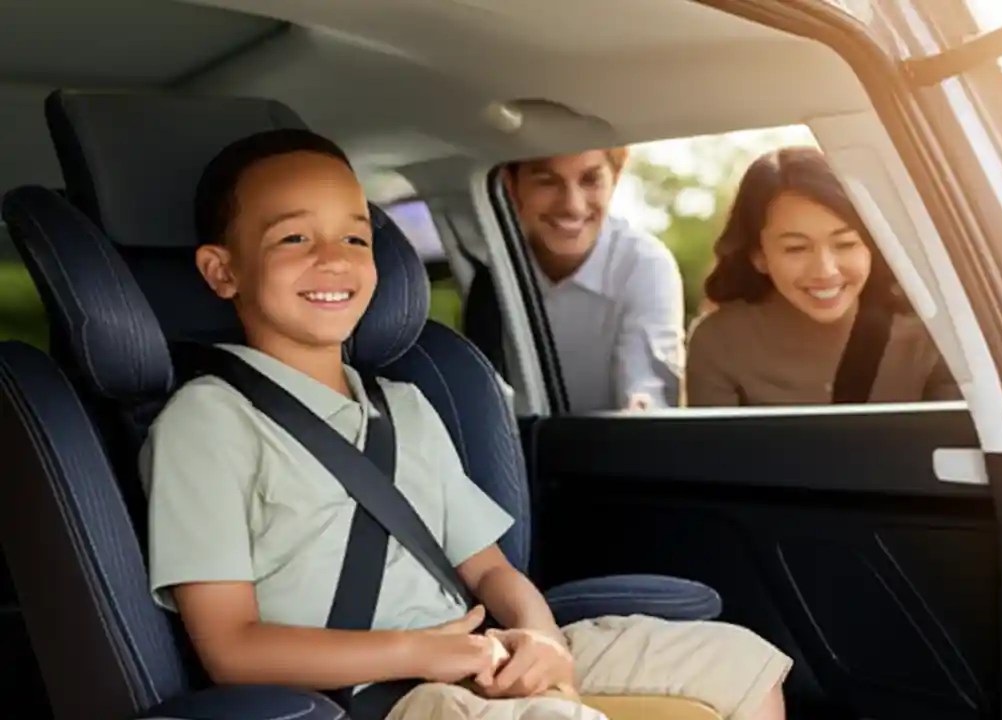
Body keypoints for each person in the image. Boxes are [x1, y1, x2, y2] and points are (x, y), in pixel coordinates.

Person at [140, 129, 791, 720]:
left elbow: (488, 569)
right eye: (294, 238)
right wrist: (420, 651)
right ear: (222, 271)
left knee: (738, 662)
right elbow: (232, 648)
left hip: (479, 656)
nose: (333, 259)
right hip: (374, 695)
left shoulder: (406, 406)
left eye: (355, 238)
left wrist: (540, 637)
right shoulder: (207, 421)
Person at [685, 146, 957, 407]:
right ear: (759, 256)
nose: (825, 271)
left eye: (845, 244)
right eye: (796, 248)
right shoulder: (718, 344)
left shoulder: (932, 334)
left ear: (873, 246)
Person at [505, 149, 684, 412]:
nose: (572, 206)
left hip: (611, 437)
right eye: (547, 181)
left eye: (591, 180)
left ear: (616, 179)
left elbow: (645, 387)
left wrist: (641, 404)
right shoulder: (490, 262)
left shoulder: (643, 264)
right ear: (511, 186)